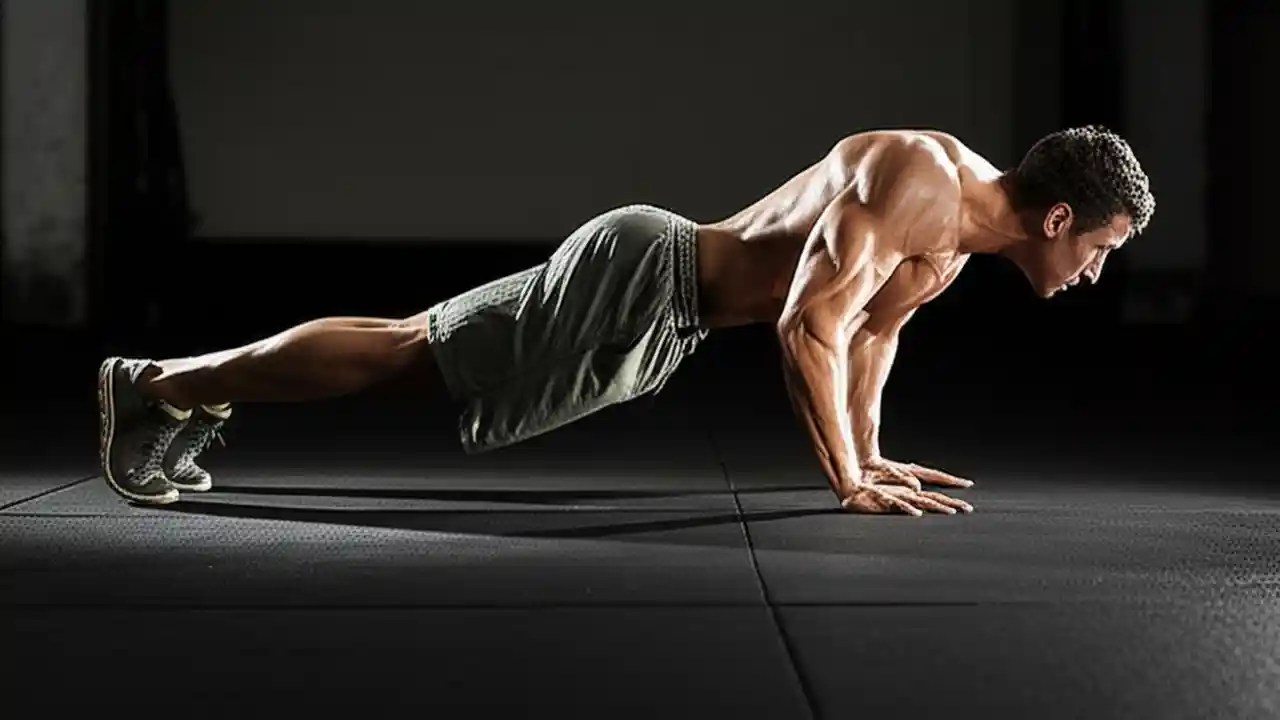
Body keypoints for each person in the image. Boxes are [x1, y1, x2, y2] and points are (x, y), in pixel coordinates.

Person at [97, 125, 1154, 514]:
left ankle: (181, 385)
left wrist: (873, 458)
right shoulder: (920, 177)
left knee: (415, 357)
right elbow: (807, 325)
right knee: (413, 351)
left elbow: (870, 336)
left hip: (670, 317)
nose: (1092, 271)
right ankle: (156, 384)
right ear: (1058, 218)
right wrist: (840, 482)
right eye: (1099, 249)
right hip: (647, 270)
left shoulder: (954, 246)